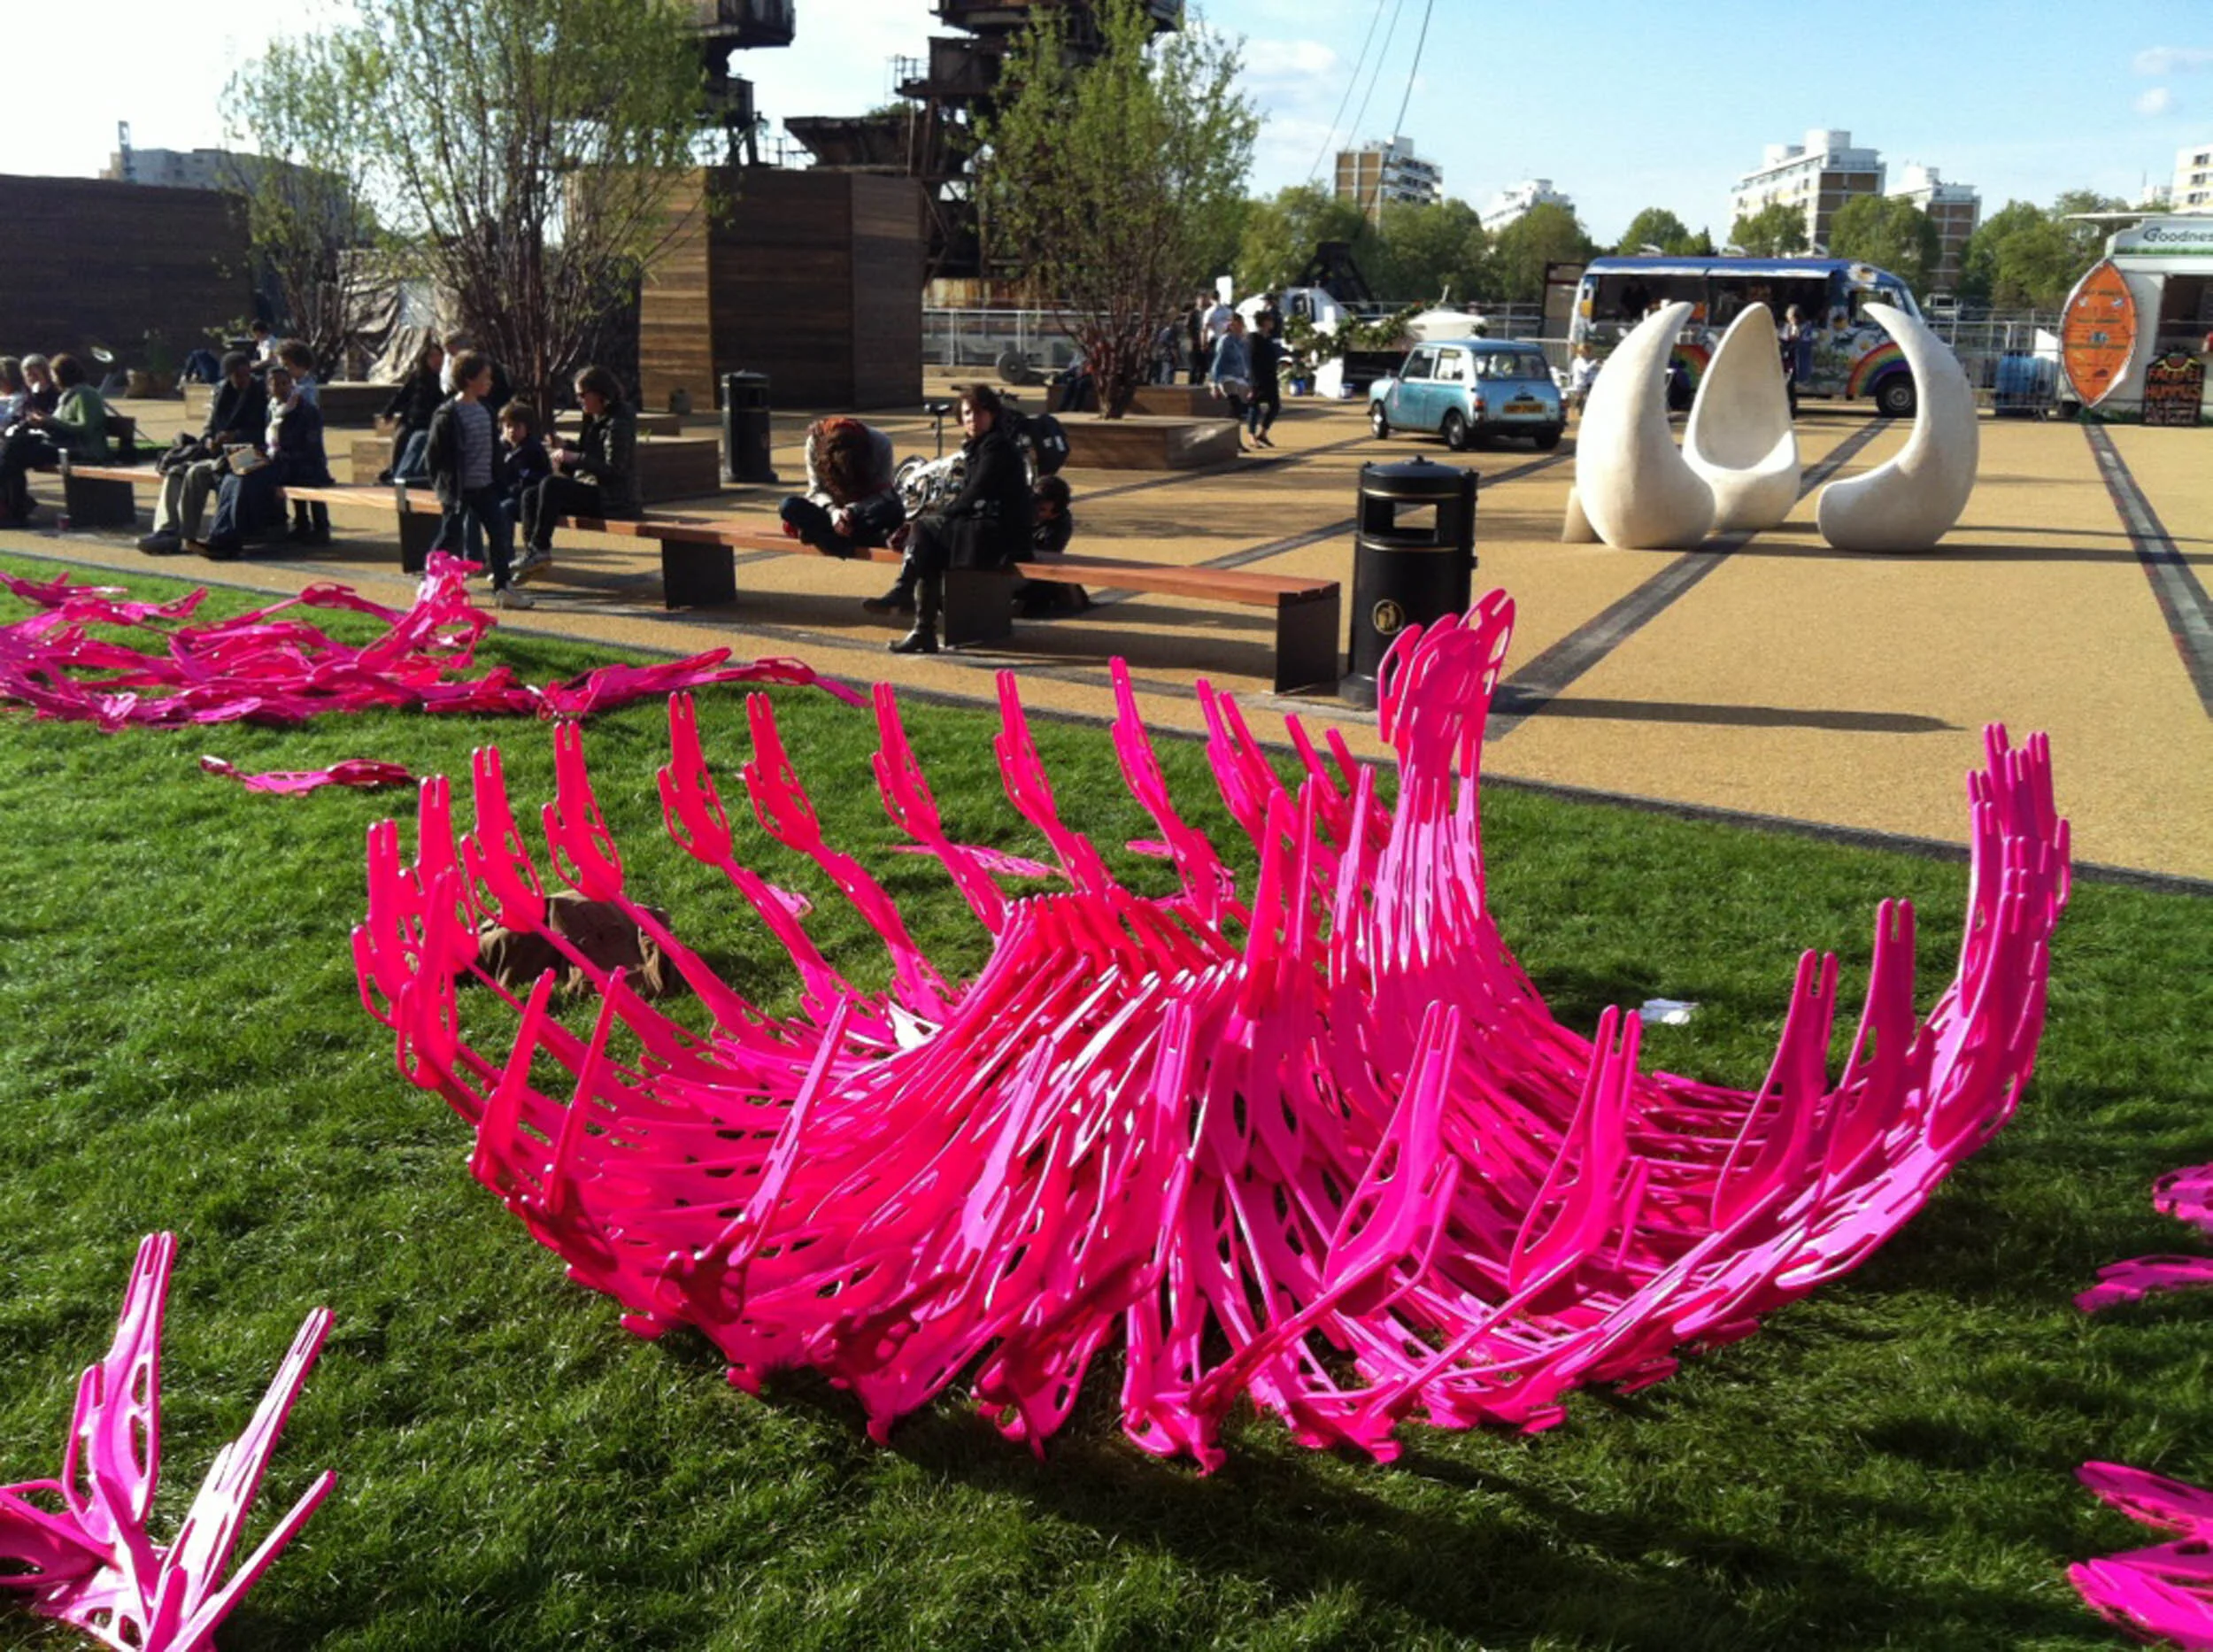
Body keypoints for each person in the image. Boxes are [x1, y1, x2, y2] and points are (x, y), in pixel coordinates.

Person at [885, 385, 1030, 655]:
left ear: (992, 414)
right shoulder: (980, 446)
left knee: (924, 529)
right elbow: (970, 497)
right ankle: (921, 629)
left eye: (979, 413)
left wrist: (942, 516)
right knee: (927, 541)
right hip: (987, 526)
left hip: (1003, 533)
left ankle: (908, 600)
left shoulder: (997, 447)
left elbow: (977, 492)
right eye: (967, 414)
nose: (973, 419)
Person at [513, 364, 638, 583]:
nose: (579, 401)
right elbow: (587, 454)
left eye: (582, 395)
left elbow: (614, 470)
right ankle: (533, 554)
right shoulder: (592, 417)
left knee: (552, 484)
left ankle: (540, 549)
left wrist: (574, 458)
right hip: (592, 490)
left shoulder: (619, 422)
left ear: (600, 393)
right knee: (530, 495)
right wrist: (566, 447)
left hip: (614, 498)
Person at [425, 350, 528, 608]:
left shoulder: (486, 410)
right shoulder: (448, 414)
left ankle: (503, 588)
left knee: (499, 533)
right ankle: (432, 583)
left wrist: (499, 479)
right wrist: (444, 488)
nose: (490, 382)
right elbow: (433, 456)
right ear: (470, 379)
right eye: (485, 377)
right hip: (459, 490)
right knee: (449, 537)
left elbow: (493, 450)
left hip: (485, 487)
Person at [138, 352, 269, 554]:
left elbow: (265, 432)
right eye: (238, 376)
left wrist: (235, 435)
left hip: (251, 453)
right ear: (228, 375)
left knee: (197, 472)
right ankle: (167, 531)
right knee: (175, 472)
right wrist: (209, 440)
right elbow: (209, 427)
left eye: (247, 375)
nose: (244, 380)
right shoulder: (221, 392)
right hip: (219, 453)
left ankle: (188, 535)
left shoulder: (260, 393)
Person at [202, 365, 330, 559]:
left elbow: (311, 449)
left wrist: (274, 457)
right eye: (274, 384)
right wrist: (258, 454)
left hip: (300, 466)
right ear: (268, 387)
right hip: (273, 460)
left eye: (284, 383)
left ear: (291, 384)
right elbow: (267, 442)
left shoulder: (305, 410)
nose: (280, 388)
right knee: (230, 470)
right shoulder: (271, 408)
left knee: (245, 478)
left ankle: (231, 541)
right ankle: (219, 536)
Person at [0, 353, 109, 526]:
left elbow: (85, 428)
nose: (52, 378)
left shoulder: (85, 395)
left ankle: (16, 510)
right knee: (12, 450)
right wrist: (43, 422)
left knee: (12, 452)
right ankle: (14, 508)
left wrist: (50, 421)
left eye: (54, 374)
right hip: (63, 444)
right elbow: (61, 425)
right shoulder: (69, 394)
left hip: (81, 449)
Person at [782, 415, 900, 563]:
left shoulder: (881, 443)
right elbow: (816, 490)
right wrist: (834, 512)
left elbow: (884, 492)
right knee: (788, 505)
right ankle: (852, 540)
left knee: (895, 509)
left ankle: (827, 538)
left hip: (863, 511)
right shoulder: (814, 442)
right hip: (829, 512)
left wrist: (852, 510)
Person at [1010, 474, 1088, 619]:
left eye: (1042, 509)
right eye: (1034, 505)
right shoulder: (1021, 509)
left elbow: (1046, 554)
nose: (1035, 511)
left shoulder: (1059, 526)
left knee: (1043, 582)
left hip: (1036, 569)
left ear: (1054, 514)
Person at [275, 340, 331, 544]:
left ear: (300, 365)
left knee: (313, 486)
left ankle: (321, 527)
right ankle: (301, 523)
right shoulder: (295, 387)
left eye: (287, 365)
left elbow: (309, 417)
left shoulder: (306, 389)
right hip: (295, 446)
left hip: (309, 447)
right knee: (296, 482)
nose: (285, 370)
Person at [380, 340, 446, 482]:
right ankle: (395, 472)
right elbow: (402, 395)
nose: (436, 359)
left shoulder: (444, 379)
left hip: (429, 423)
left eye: (438, 355)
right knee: (401, 438)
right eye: (432, 356)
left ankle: (406, 476)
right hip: (412, 421)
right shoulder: (417, 377)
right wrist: (388, 412)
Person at [496, 400, 551, 543]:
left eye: (517, 426)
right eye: (508, 426)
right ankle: (473, 552)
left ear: (527, 428)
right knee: (474, 505)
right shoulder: (500, 448)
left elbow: (542, 479)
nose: (512, 431)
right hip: (503, 493)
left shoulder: (533, 450)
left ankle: (505, 552)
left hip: (525, 498)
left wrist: (518, 486)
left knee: (505, 509)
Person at [1210, 313, 1253, 449]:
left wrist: (1249, 380)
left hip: (1239, 377)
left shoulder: (1241, 341)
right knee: (1235, 406)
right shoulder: (1225, 340)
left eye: (1242, 324)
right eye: (1239, 325)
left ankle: (1226, 433)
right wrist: (1214, 383)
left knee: (1237, 411)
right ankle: (1233, 439)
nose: (1242, 327)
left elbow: (1245, 362)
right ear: (1232, 325)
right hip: (1227, 376)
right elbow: (1217, 362)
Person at [1245, 310, 1284, 448]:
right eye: (1270, 320)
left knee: (1275, 406)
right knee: (1254, 406)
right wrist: (1252, 383)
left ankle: (1263, 433)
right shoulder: (1253, 337)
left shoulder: (1269, 338)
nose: (1272, 322)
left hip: (1271, 377)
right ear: (1264, 322)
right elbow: (1251, 361)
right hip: (1257, 378)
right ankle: (1251, 436)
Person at [1778, 305, 1815, 418]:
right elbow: (1783, 339)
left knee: (1790, 383)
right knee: (1787, 384)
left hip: (1797, 358)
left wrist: (1796, 339)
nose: (1791, 319)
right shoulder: (1787, 326)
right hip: (1787, 358)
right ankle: (1788, 408)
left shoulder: (1806, 327)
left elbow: (1807, 341)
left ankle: (1792, 409)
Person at [1566, 342, 1600, 412]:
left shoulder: (1580, 360)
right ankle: (1575, 412)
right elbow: (1586, 370)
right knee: (1579, 400)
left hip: (1581, 382)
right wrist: (1593, 363)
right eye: (1588, 352)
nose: (1589, 354)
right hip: (1580, 383)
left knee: (1581, 400)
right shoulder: (1580, 361)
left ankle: (1576, 411)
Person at [1185, 296, 1207, 386]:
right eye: (1200, 300)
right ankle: (1191, 382)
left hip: (1204, 341)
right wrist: (1191, 339)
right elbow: (1187, 326)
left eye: (1203, 300)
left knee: (1203, 364)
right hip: (1195, 341)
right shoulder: (1193, 313)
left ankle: (1200, 382)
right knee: (1193, 364)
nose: (1202, 302)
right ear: (1197, 301)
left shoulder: (1206, 312)